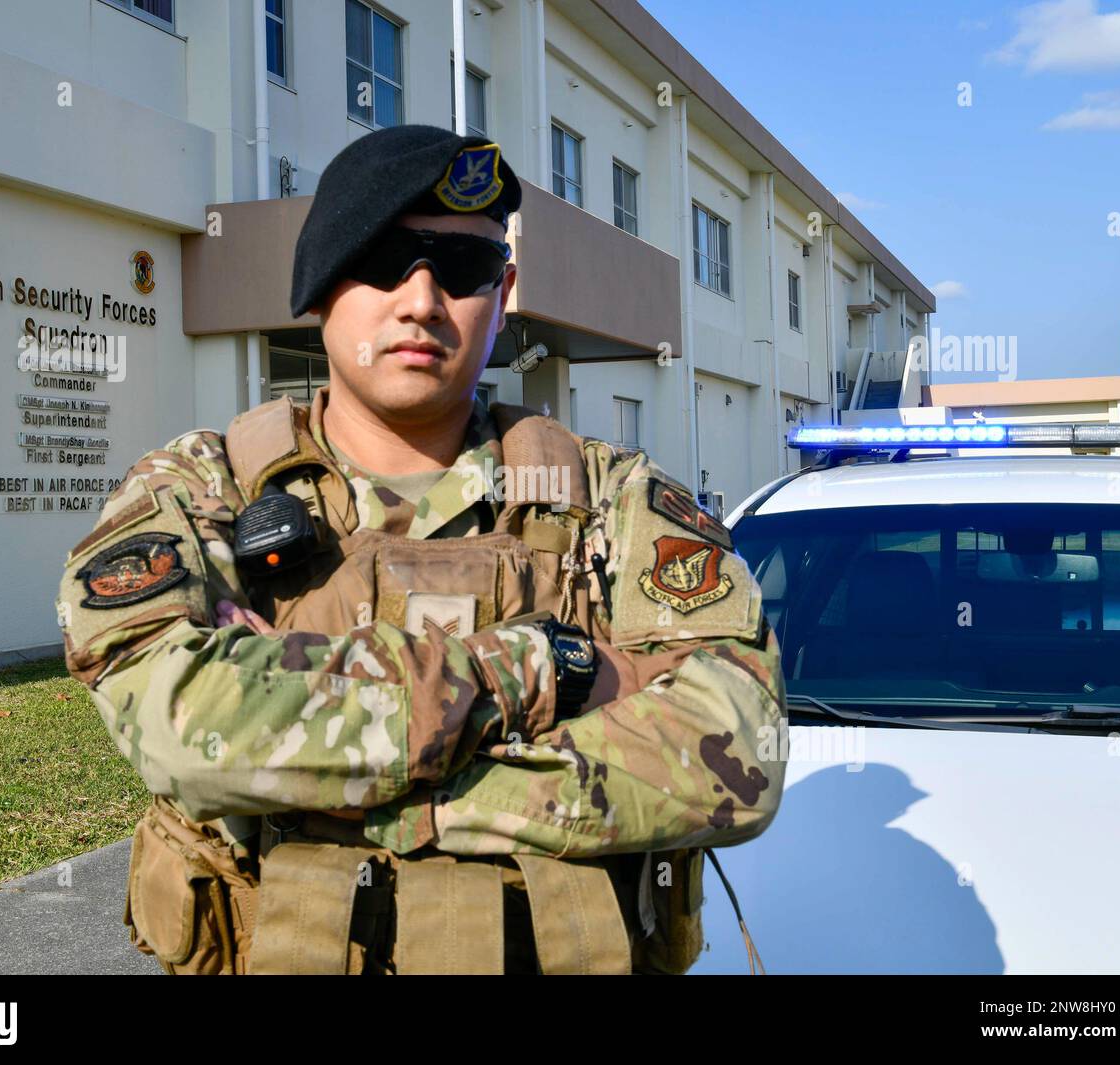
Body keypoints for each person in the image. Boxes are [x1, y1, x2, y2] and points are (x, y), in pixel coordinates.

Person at [56, 124, 787, 975]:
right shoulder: (202, 489)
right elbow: (184, 723)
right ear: (323, 281)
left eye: (463, 267)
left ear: (504, 290)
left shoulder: (611, 499)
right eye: (386, 258)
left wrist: (366, 777)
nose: (422, 299)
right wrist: (544, 670)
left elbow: (740, 749)